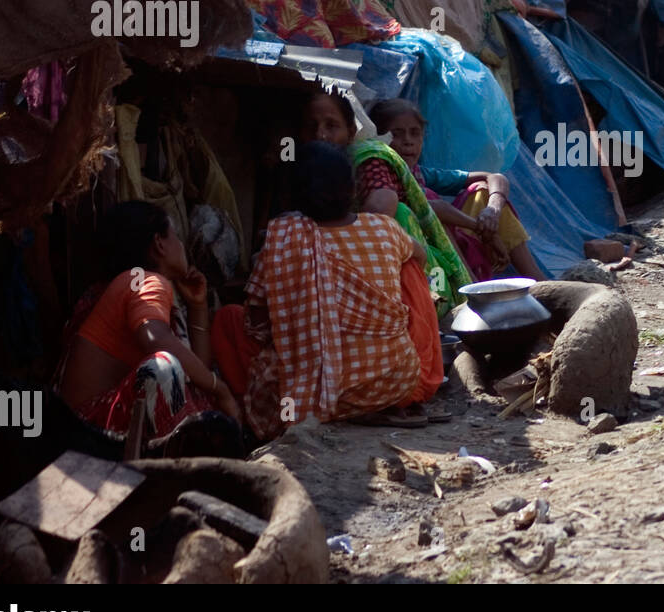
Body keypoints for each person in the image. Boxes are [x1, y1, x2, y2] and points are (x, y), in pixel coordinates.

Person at [212, 141, 444, 438]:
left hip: (311, 398)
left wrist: (306, 325)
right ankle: (422, 376)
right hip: (395, 384)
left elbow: (257, 322)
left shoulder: (282, 238)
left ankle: (255, 417)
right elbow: (421, 256)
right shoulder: (383, 228)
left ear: (294, 196)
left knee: (228, 319)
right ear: (352, 189)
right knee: (411, 267)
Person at [58, 201, 241, 437]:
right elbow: (157, 341)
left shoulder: (131, 287)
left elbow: (197, 373)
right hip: (86, 431)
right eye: (175, 236)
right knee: (162, 366)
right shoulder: (144, 282)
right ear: (159, 244)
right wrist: (222, 390)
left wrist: (198, 306)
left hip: (87, 427)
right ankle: (191, 465)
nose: (182, 245)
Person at [300, 89, 474, 315]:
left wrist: (337, 239)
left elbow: (384, 206)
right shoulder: (303, 164)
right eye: (311, 127)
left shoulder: (367, 158)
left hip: (417, 283)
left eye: (331, 126)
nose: (321, 135)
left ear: (352, 131)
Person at [365, 98, 544, 281]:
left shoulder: (421, 174)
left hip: (450, 244)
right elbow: (433, 208)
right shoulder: (380, 177)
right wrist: (483, 229)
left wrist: (492, 212)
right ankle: (470, 284)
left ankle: (538, 280)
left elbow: (495, 177)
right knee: (431, 202)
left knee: (481, 191)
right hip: (419, 251)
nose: (408, 142)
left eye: (415, 133)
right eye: (397, 134)